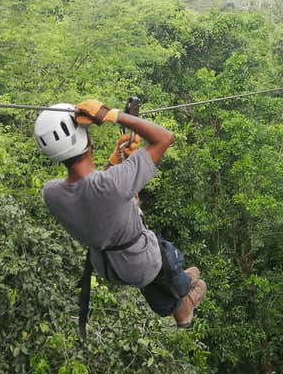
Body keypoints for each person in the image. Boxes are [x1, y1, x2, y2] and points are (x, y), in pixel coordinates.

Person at [33, 99, 206, 332]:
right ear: (86, 140)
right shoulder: (112, 184)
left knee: (150, 274)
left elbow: (96, 194)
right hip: (142, 261)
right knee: (166, 259)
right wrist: (112, 115)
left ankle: (179, 302)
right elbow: (164, 137)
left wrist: (115, 160)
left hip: (109, 267)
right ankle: (183, 299)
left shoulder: (51, 193)